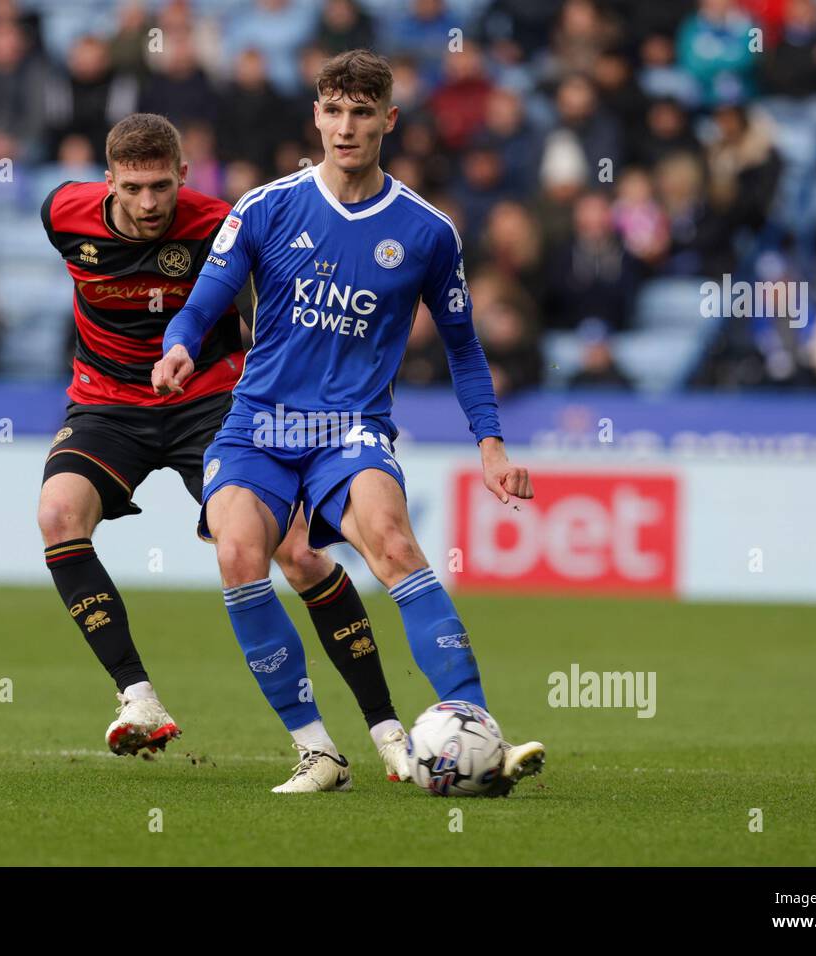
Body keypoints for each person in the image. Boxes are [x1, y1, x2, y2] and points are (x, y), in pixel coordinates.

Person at [154, 50, 545, 794]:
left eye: (362, 112)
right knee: (240, 555)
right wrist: (177, 347)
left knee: (394, 544)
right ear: (316, 117)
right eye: (333, 111)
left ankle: (480, 735)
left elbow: (463, 347)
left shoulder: (427, 232)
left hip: (351, 427)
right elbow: (206, 299)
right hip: (260, 422)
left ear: (388, 121)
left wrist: (490, 446)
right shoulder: (266, 207)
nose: (346, 126)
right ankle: (318, 751)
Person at [37, 113, 410, 780]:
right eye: (132, 188)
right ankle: (141, 698)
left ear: (184, 175)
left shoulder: (220, 222)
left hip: (210, 402)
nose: (148, 204)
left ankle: (386, 730)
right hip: (106, 405)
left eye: (160, 187)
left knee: (297, 550)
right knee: (58, 516)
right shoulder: (63, 213)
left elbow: (283, 300)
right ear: (108, 182)